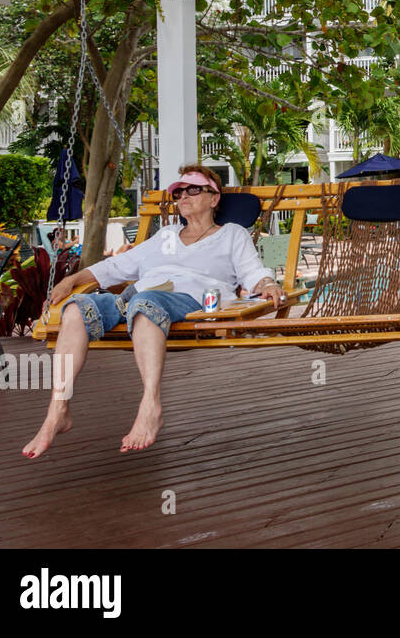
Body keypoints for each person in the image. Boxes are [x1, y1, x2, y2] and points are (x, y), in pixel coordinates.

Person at [22, 165, 284, 459]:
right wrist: (73, 280)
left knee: (146, 304)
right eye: (178, 191)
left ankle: (150, 406)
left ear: (214, 198)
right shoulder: (167, 235)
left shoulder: (231, 234)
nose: (183, 195)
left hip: (191, 300)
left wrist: (267, 284)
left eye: (193, 189)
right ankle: (58, 410)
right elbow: (117, 267)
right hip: (136, 298)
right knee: (76, 309)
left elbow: (253, 271)